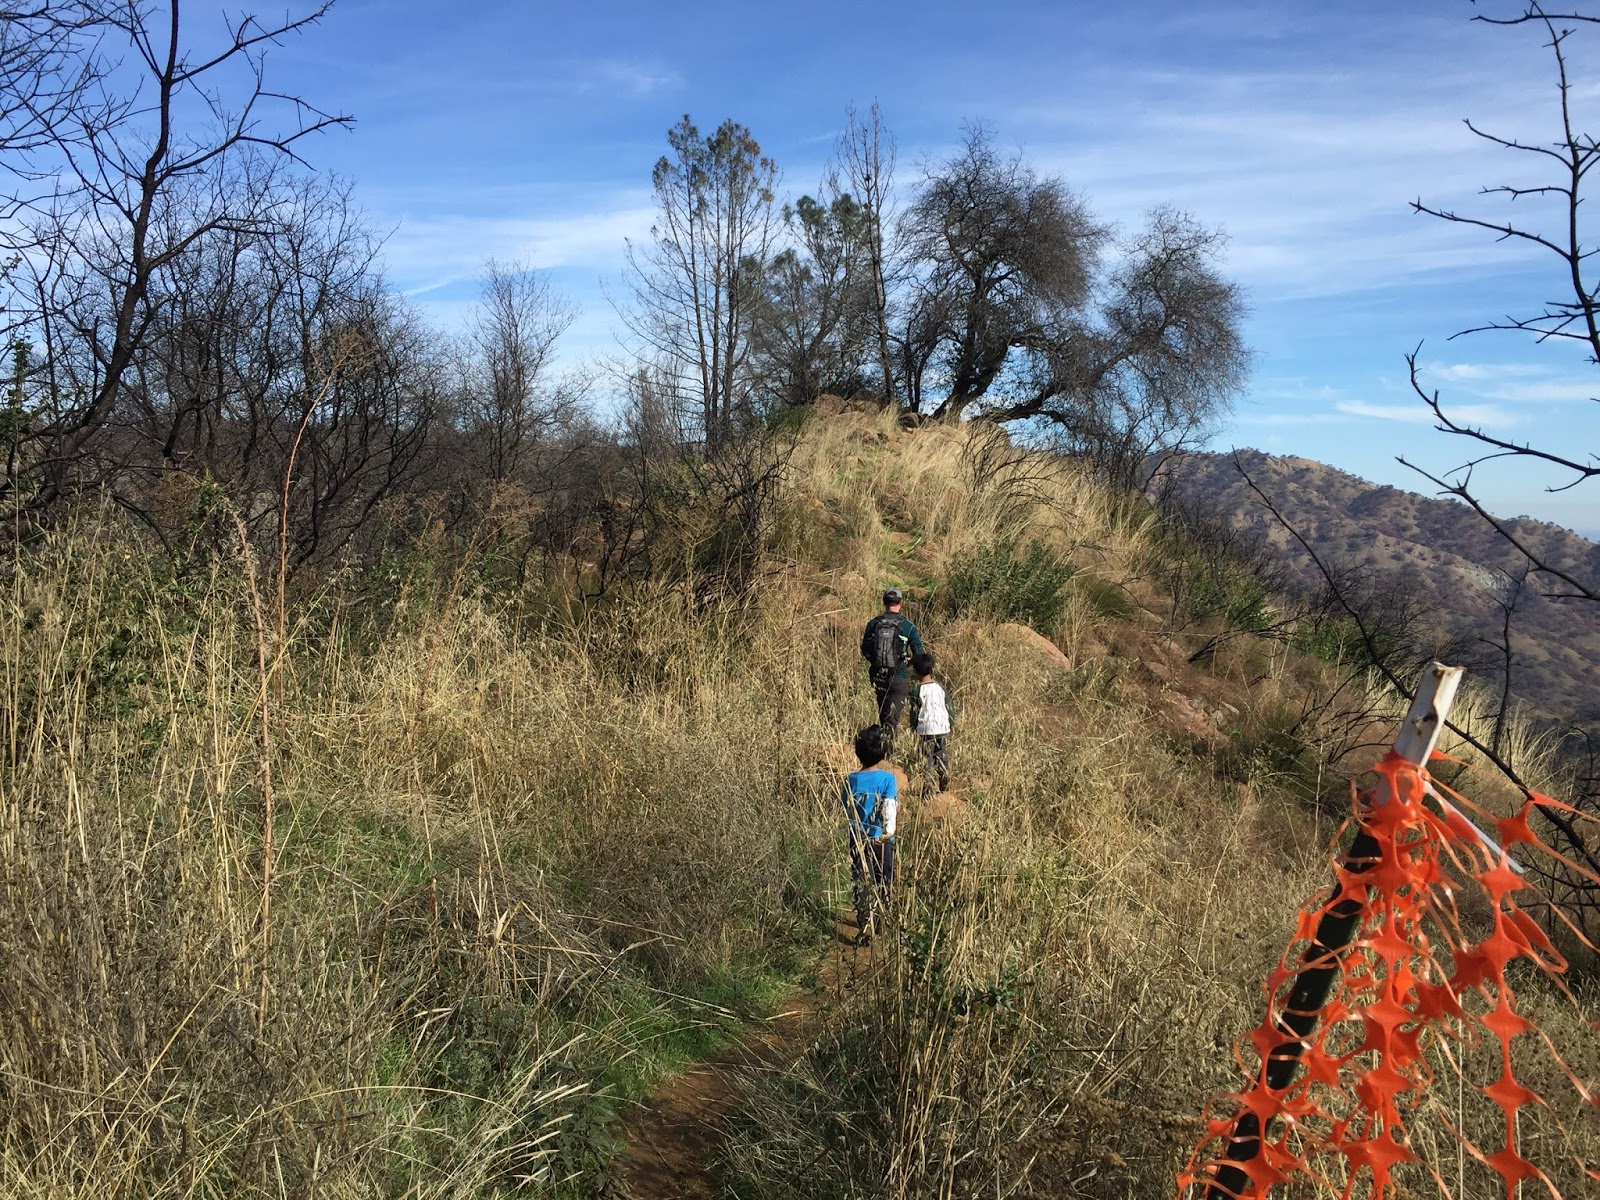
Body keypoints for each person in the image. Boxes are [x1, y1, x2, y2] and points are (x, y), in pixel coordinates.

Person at [842, 724, 897, 944]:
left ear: (858, 752)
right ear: (883, 753)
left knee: (862, 880)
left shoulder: (850, 780)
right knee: (885, 879)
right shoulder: (887, 779)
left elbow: (847, 807)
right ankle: (882, 919)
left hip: (857, 838)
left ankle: (865, 922)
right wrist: (888, 832)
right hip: (881, 840)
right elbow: (889, 809)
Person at [860, 587, 924, 747]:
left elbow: (864, 650)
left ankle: (883, 751)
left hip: (877, 677)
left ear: (884, 602)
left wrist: (877, 663)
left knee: (884, 715)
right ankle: (887, 755)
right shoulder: (908, 627)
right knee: (892, 721)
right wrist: (905, 663)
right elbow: (919, 654)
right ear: (901, 603)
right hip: (898, 677)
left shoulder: (874, 623)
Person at [911, 651, 951, 792]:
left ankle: (928, 788)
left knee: (926, 757)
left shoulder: (917, 690)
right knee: (941, 753)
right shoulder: (941, 688)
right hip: (942, 726)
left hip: (926, 728)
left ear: (916, 671)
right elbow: (949, 707)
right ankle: (944, 777)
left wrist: (913, 726)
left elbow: (915, 711)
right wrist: (950, 723)